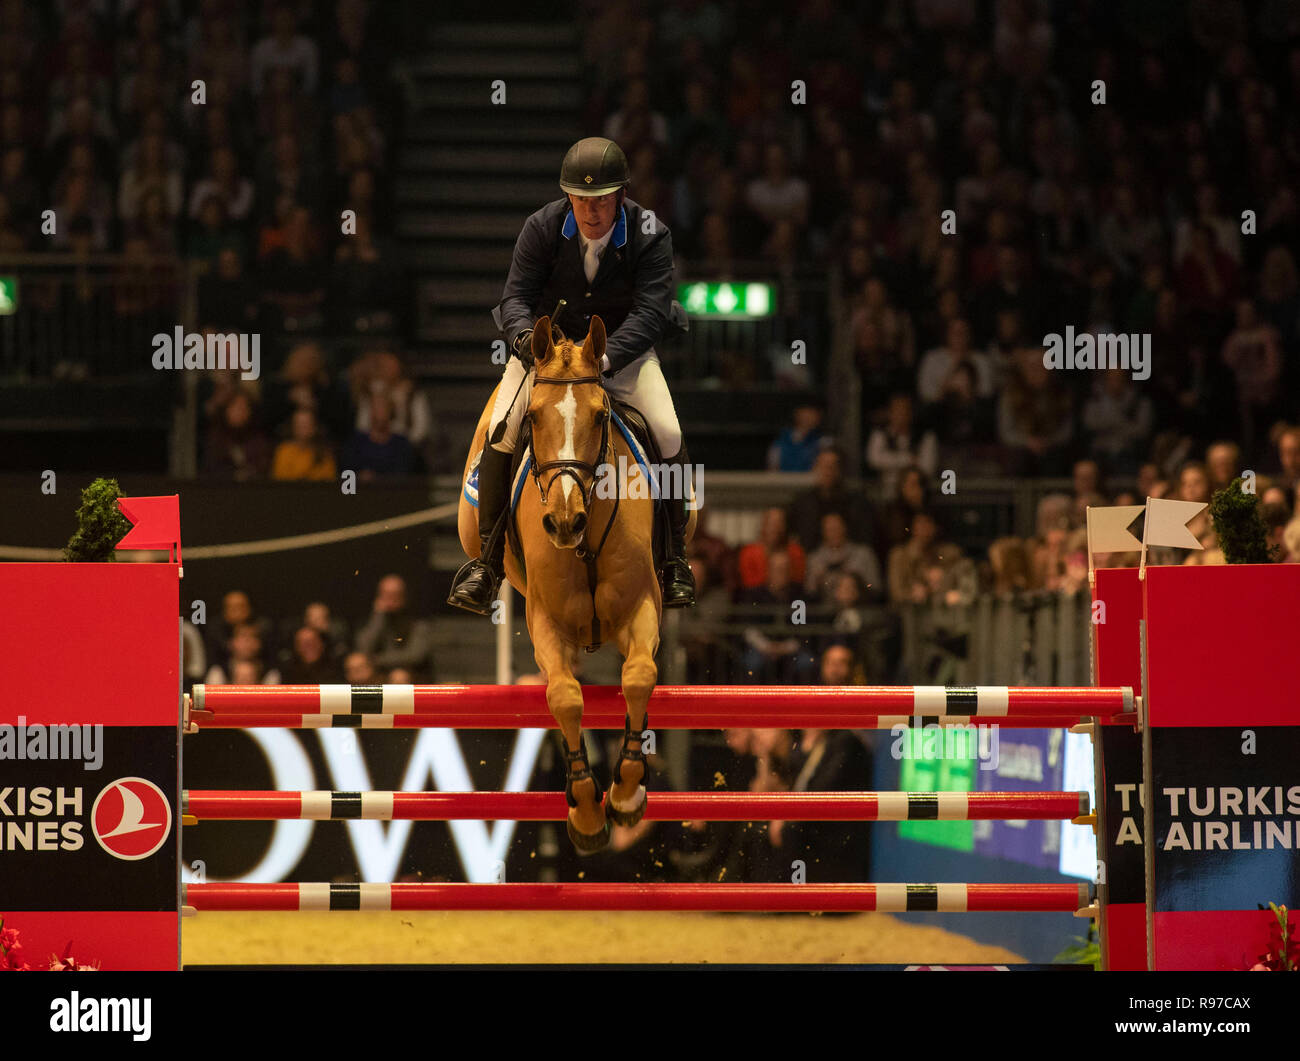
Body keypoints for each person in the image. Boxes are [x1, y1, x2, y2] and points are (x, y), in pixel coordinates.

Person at [448, 137, 693, 614]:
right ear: (568, 197)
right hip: (548, 360)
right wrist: (524, 340)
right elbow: (516, 297)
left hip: (617, 356)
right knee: (501, 431)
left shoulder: (649, 233)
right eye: (581, 200)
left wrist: (602, 360)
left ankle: (674, 559)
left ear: (620, 196)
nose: (591, 211)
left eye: (600, 200)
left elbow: (651, 312)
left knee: (668, 431)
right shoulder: (542, 226)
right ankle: (488, 564)